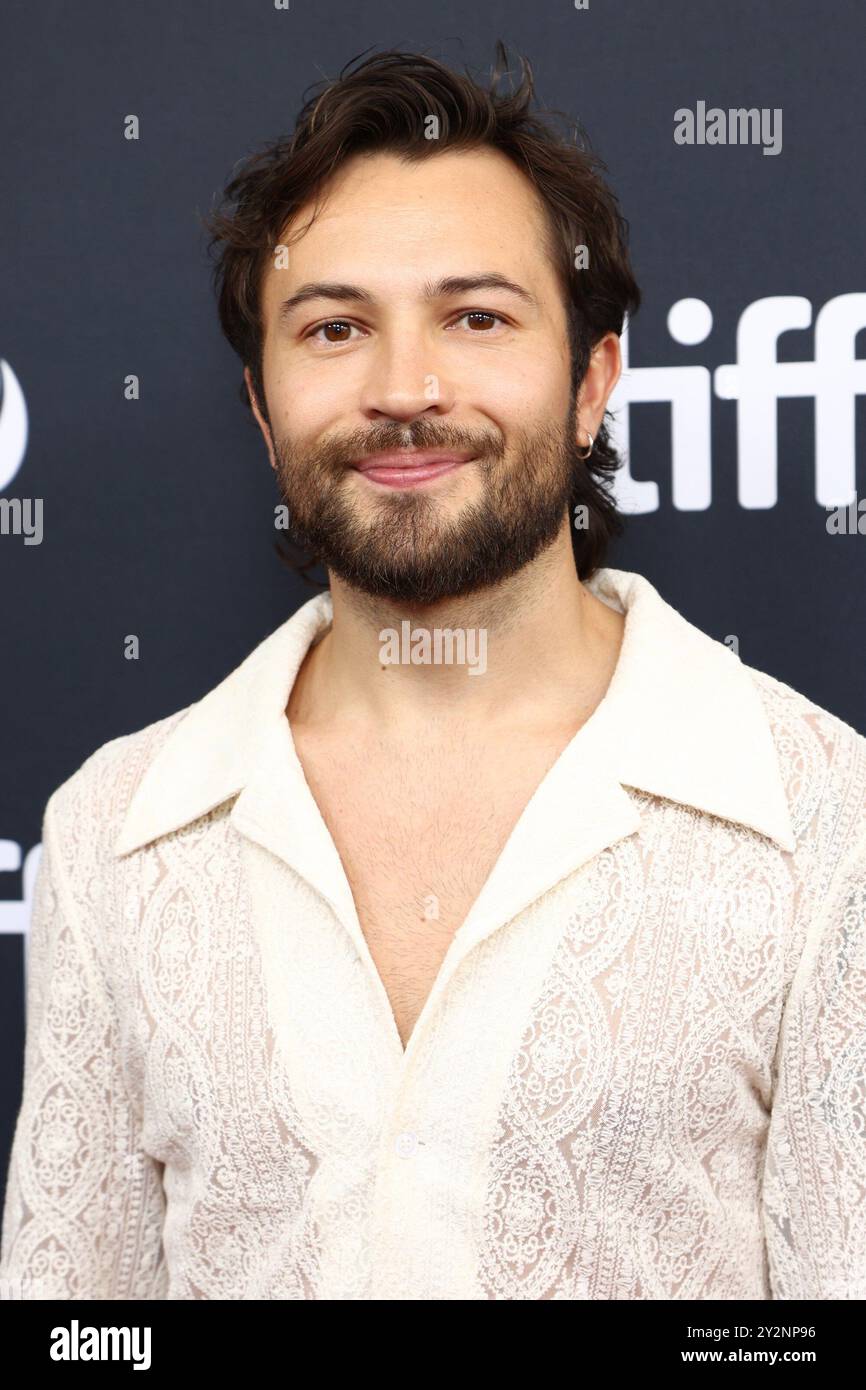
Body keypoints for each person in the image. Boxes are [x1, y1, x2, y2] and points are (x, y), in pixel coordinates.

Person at [1, 44, 864, 1301]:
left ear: (591, 384)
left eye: (475, 317)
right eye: (335, 327)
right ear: (260, 405)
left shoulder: (823, 819)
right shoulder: (110, 833)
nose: (404, 390)